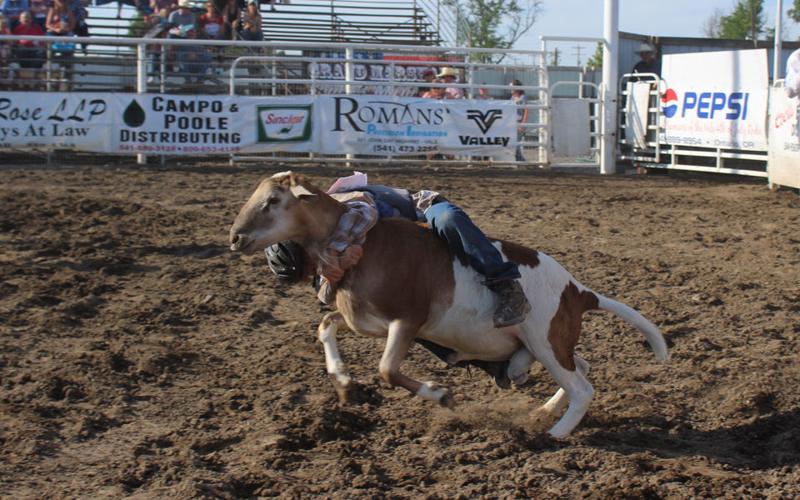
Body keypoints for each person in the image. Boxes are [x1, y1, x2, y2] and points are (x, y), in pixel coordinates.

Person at [267, 173, 532, 329]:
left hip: (422, 208)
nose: (314, 272)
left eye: (309, 268)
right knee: (398, 310)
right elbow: (323, 295)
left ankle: (506, 283)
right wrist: (331, 277)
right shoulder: (321, 247)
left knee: (449, 221)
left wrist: (340, 254)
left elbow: (365, 214)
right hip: (404, 245)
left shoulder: (340, 207)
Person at [11, 10, 45, 85]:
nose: (26, 19)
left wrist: (38, 44)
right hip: (22, 49)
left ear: (31, 19)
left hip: (34, 49)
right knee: (19, 51)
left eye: (28, 17)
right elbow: (14, 42)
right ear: (20, 20)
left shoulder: (37, 28)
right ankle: (25, 74)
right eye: (24, 18)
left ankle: (33, 73)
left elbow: (43, 41)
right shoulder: (17, 29)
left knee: (41, 52)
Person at [510, 79, 528, 162]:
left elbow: (526, 110)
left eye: (512, 87)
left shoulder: (522, 97)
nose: (510, 88)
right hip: (513, 123)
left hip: (519, 122)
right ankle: (520, 161)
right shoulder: (512, 98)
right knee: (514, 144)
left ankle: (521, 161)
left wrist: (523, 124)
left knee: (517, 143)